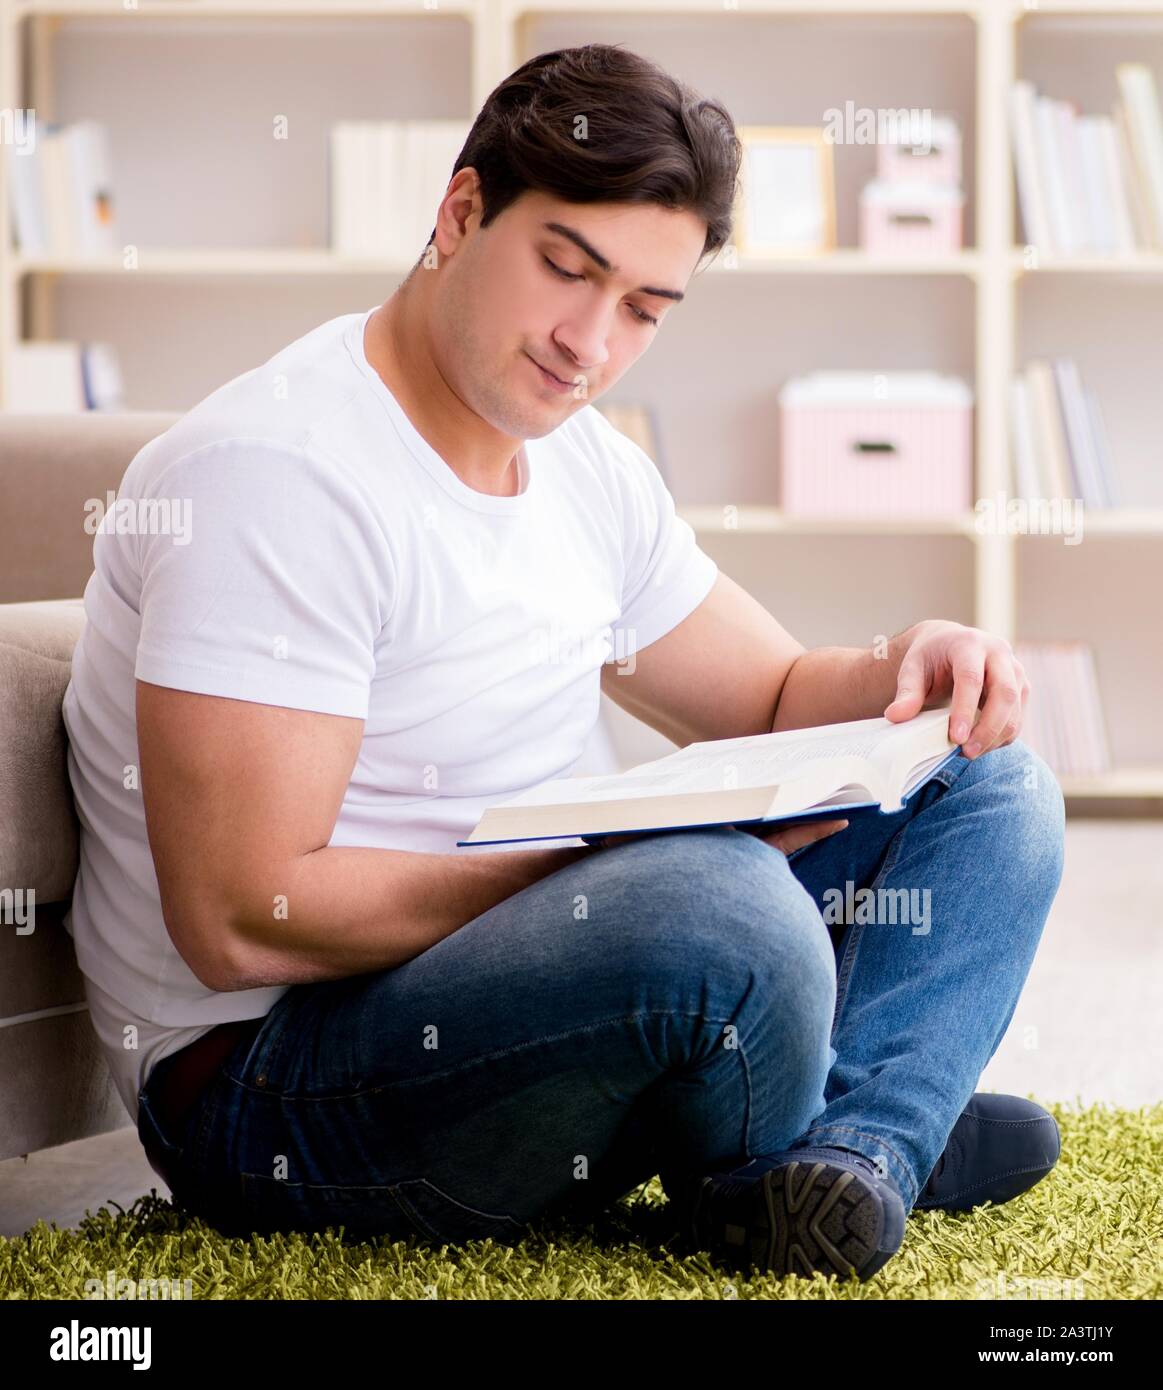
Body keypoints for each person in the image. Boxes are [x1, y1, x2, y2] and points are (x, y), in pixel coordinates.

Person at [62, 44, 1064, 1284]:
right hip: (272, 1081)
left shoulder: (583, 466)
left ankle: (843, 1153)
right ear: (460, 210)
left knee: (983, 777)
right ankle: (853, 1112)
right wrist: (593, 865)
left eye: (643, 308)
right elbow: (238, 917)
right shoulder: (277, 474)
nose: (588, 342)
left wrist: (912, 661)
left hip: (531, 980)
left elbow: (765, 700)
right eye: (565, 269)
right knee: (722, 912)